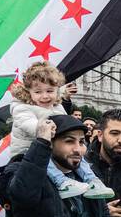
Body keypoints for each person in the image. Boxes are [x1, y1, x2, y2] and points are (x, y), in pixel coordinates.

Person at [8, 62, 114, 200]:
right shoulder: (22, 107)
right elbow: (27, 123)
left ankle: (93, 182)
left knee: (78, 157)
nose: (45, 96)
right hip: (28, 151)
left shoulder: (56, 106)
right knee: (47, 160)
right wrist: (42, 128)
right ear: (29, 92)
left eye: (50, 91)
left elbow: (65, 122)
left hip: (51, 146)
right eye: (38, 92)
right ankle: (62, 183)